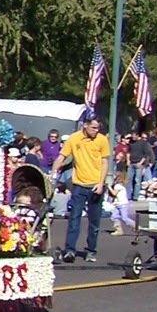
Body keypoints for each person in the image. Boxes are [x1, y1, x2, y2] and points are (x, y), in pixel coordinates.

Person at [52, 112, 112, 263]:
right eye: (93, 127)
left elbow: (105, 162)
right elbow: (61, 157)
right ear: (85, 125)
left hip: (95, 185)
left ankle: (91, 250)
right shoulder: (74, 139)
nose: (96, 130)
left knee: (94, 221)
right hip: (79, 184)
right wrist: (52, 173)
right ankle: (70, 250)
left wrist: (100, 183)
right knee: (74, 218)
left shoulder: (102, 140)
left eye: (98, 128)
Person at [127, 130, 154, 197]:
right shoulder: (131, 142)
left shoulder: (143, 143)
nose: (133, 138)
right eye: (132, 136)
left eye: (134, 136)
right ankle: (128, 195)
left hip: (139, 163)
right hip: (131, 162)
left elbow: (146, 154)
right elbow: (128, 152)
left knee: (137, 180)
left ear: (137, 135)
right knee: (128, 179)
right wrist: (128, 160)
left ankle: (135, 196)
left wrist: (141, 163)